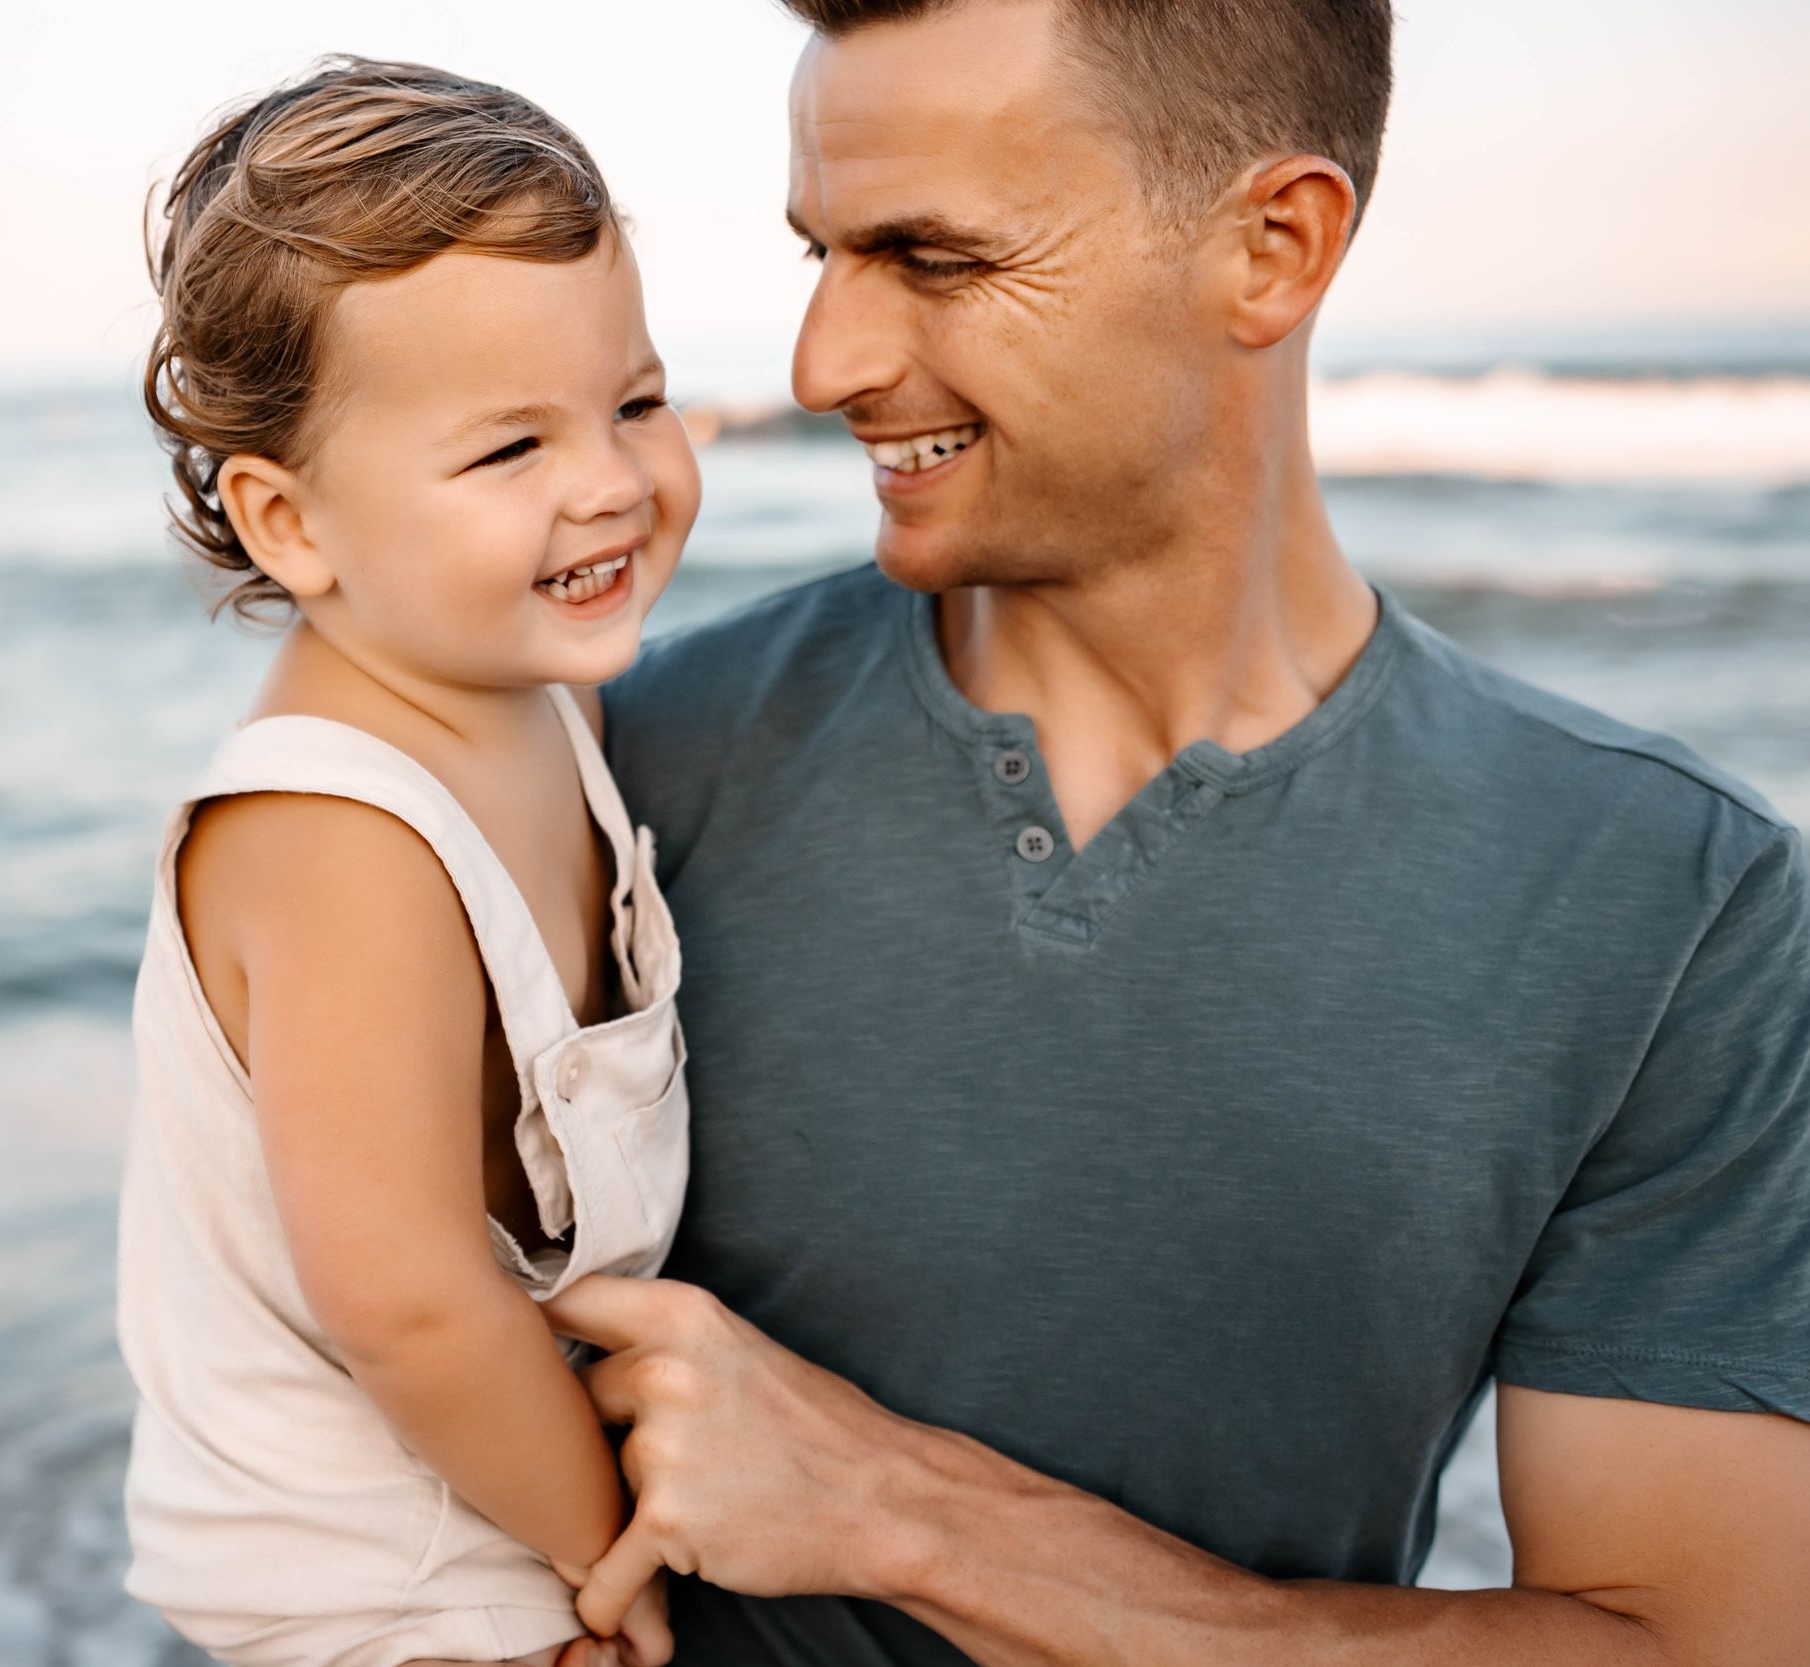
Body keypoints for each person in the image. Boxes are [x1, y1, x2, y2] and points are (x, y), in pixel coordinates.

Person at [552, 1, 1810, 1662]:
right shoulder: (619, 765)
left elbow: (1691, 1643)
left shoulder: (1670, 900)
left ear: (1274, 250)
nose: (825, 364)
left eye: (935, 259)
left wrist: (901, 1514)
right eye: (825, 254)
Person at [117, 58, 698, 1667]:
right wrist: (613, 1557)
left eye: (636, 402)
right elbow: (408, 1301)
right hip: (379, 1593)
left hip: (481, 1519)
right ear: (292, 525)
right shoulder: (337, 836)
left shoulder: (520, 692)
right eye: (509, 449)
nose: (611, 480)